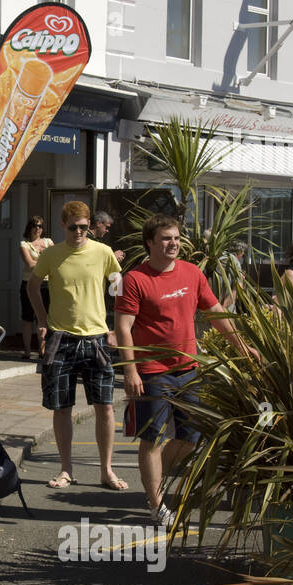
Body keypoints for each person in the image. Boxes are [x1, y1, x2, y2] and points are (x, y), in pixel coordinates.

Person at [116, 215, 257, 528]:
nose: (174, 243)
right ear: (150, 243)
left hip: (188, 368)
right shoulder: (135, 279)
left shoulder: (192, 273)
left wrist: (241, 345)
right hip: (151, 371)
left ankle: (156, 478)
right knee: (152, 439)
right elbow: (124, 328)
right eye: (166, 238)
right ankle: (155, 503)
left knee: (190, 438)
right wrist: (130, 370)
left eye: (176, 238)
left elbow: (216, 312)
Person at [32, 201, 128, 491]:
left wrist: (115, 328)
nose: (79, 232)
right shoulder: (51, 254)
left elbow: (119, 287)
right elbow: (32, 285)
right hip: (61, 338)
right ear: (63, 225)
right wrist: (42, 319)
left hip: (97, 338)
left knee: (106, 407)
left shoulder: (103, 253)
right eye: (73, 227)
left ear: (90, 226)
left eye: (84, 227)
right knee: (61, 407)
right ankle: (66, 470)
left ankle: (107, 471)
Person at [18, 218, 53, 360]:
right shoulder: (24, 244)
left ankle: (42, 350)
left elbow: (55, 259)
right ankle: (27, 351)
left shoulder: (48, 242)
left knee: (43, 317)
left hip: (46, 284)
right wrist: (45, 257)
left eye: (40, 226)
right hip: (28, 283)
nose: (37, 228)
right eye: (34, 225)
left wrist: (42, 259)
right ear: (29, 227)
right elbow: (30, 264)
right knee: (27, 318)